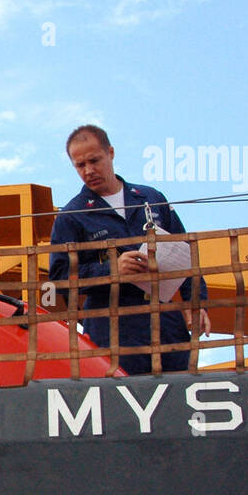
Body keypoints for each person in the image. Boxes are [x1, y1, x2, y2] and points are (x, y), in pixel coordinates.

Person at [48, 125, 209, 374]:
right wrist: (113, 269)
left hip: (165, 323)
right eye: (80, 165)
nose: (89, 171)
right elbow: (59, 277)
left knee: (179, 397)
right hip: (111, 329)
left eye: (94, 160)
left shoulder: (151, 198)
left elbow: (184, 251)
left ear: (110, 153)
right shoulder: (71, 216)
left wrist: (197, 303)